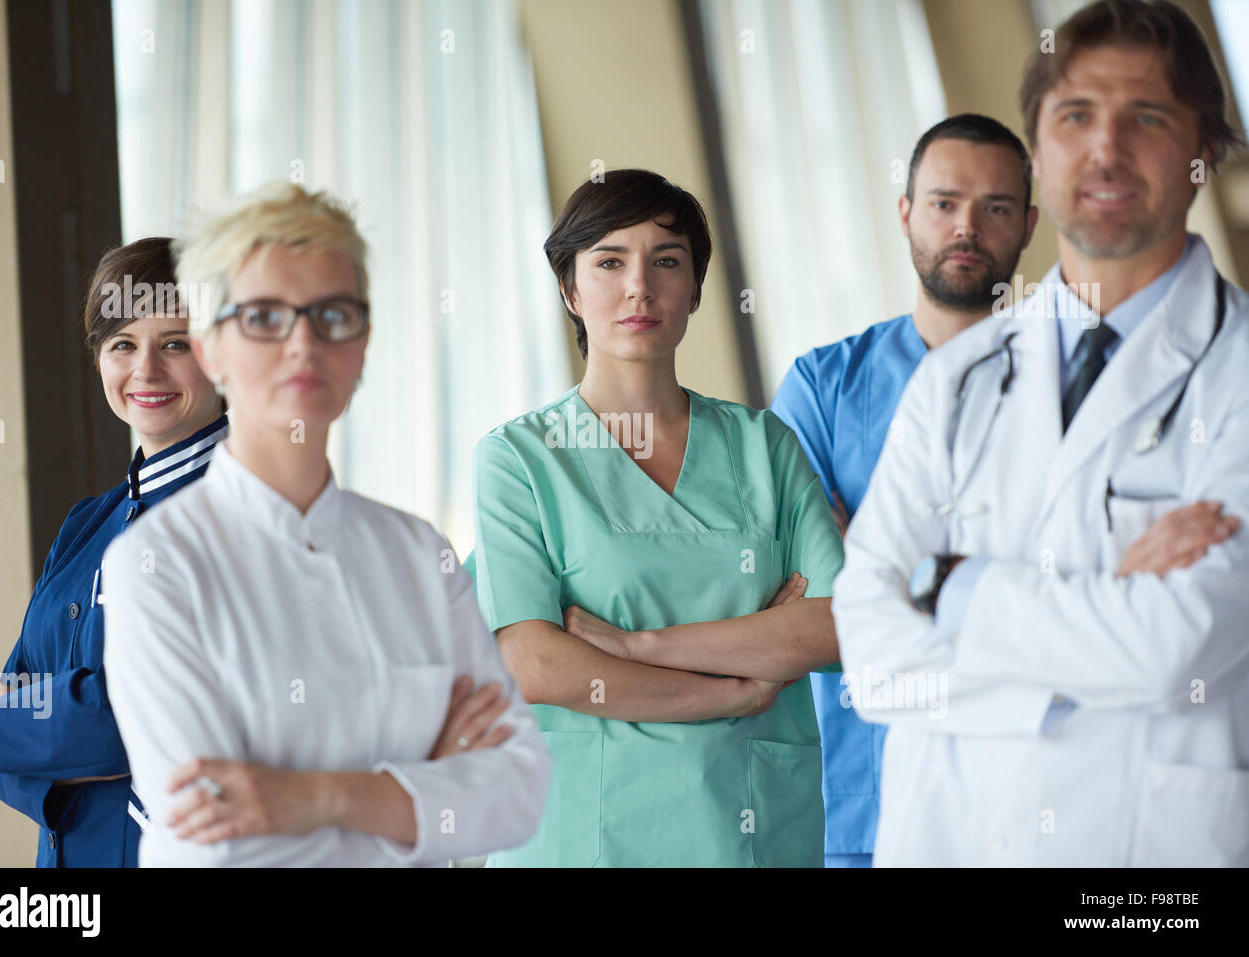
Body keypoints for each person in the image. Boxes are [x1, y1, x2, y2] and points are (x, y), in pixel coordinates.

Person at [832, 0, 1248, 866]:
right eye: (1075, 116)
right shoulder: (955, 380)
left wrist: (953, 588)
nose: (1106, 148)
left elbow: (1173, 645)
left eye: (1147, 116)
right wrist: (1095, 626)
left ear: (1204, 149)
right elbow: (870, 654)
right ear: (1040, 147)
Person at [101, 182, 551, 866]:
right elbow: (220, 846)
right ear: (211, 347)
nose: (303, 343)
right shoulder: (157, 563)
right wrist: (427, 785)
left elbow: (519, 791)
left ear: (363, 343)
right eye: (263, 317)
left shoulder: (417, 552)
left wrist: (315, 797)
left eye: (332, 314)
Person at [470, 169, 843, 866]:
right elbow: (536, 663)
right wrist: (740, 686)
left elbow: (834, 622)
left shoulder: (764, 447)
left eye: (666, 260)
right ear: (570, 290)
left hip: (749, 829)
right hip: (583, 834)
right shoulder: (518, 459)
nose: (639, 286)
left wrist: (640, 648)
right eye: (610, 261)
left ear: (696, 288)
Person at [771, 113, 1039, 867]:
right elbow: (808, 588)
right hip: (856, 794)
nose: (968, 227)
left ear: (1028, 225)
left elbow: (1071, 571)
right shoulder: (824, 386)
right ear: (905, 214)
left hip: (1027, 785)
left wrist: (877, 554)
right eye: (944, 202)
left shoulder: (1067, 387)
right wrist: (970, 578)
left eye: (996, 207)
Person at [0, 238, 228, 866]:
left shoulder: (240, 516)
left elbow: (143, 718)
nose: (145, 371)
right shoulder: (87, 523)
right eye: (122, 345)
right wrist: (30, 731)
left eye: (174, 343)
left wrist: (21, 727)